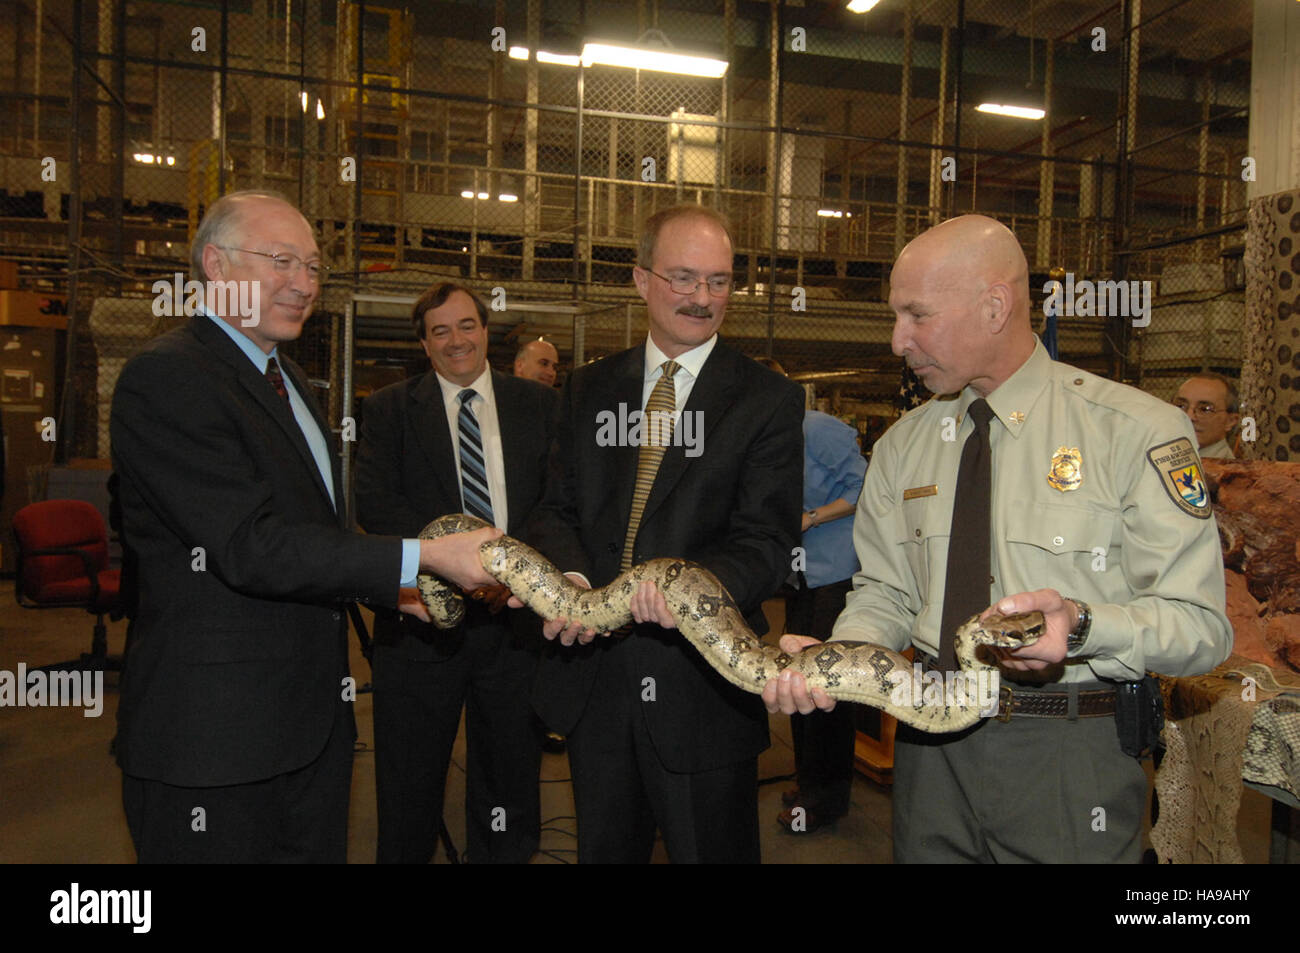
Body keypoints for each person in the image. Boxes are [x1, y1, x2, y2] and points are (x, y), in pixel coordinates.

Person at [763, 214, 1232, 863]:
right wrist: (841, 658)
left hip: (1070, 753)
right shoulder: (904, 446)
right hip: (928, 752)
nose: (898, 339)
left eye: (916, 315)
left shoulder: (1135, 431)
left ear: (993, 305)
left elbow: (1201, 627)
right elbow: (885, 593)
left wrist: (1085, 622)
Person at [110, 190, 499, 863]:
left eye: (314, 267)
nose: (304, 284)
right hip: (216, 743)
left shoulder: (284, 378)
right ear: (216, 265)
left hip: (308, 730)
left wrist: (396, 591)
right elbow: (249, 545)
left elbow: (314, 534)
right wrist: (423, 558)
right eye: (282, 261)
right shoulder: (169, 376)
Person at [527, 204, 804, 863]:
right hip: (597, 683)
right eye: (683, 277)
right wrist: (568, 580)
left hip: (700, 689)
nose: (702, 298)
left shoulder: (766, 399)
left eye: (719, 280)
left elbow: (767, 546)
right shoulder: (590, 388)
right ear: (640, 278)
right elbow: (552, 509)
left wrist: (686, 589)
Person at [355, 282, 557, 864]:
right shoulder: (390, 408)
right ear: (424, 343)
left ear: (486, 332)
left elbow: (555, 502)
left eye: (466, 325)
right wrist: (458, 568)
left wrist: (509, 571)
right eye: (439, 331)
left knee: (510, 777)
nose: (456, 340)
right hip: (422, 625)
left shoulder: (539, 406)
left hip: (515, 624)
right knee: (409, 781)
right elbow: (377, 505)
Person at [755, 357, 866, 834]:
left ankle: (826, 800)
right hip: (800, 577)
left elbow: (866, 488)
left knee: (828, 692)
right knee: (798, 683)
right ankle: (807, 781)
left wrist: (811, 517)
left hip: (835, 575)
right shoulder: (769, 437)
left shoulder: (819, 429)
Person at [1173, 373, 1239, 458]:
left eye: (1204, 409)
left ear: (1230, 421)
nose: (1189, 416)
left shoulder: (1224, 468)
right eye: (1181, 406)